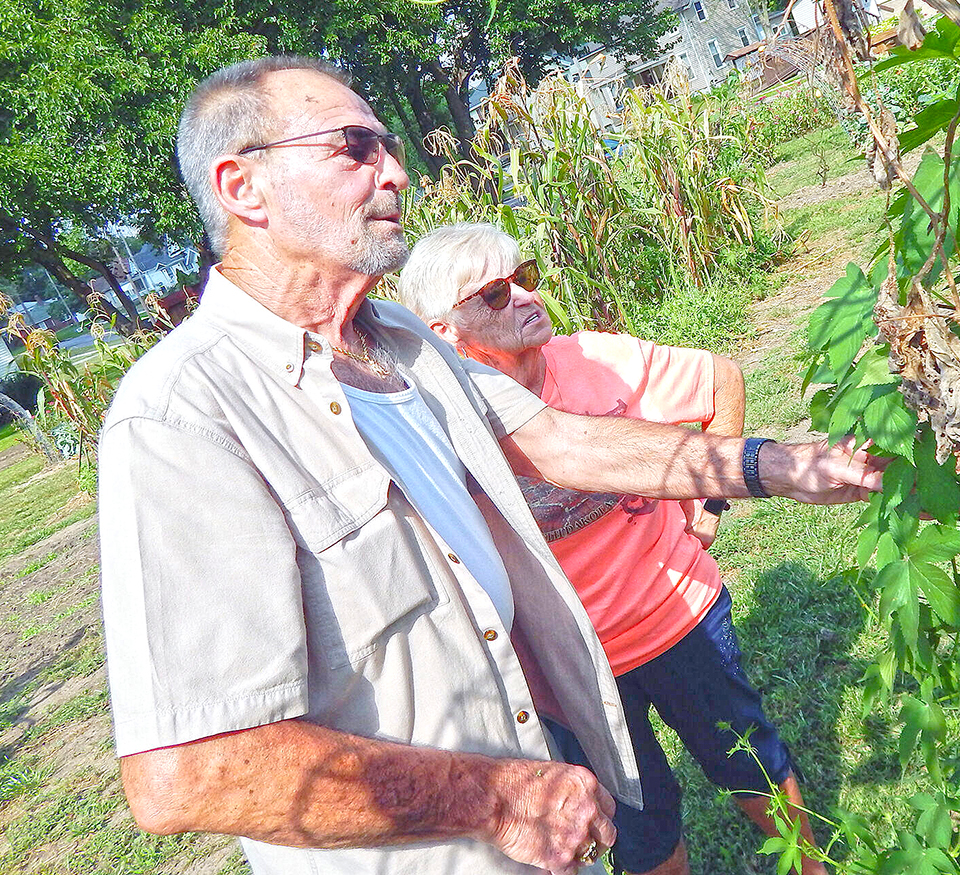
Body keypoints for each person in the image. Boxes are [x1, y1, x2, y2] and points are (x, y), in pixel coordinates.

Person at [98, 56, 885, 875]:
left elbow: (567, 442)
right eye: (354, 147)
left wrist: (776, 464)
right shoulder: (184, 418)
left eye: (389, 146)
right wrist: (494, 798)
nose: (395, 172)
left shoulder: (404, 344)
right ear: (244, 187)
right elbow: (188, 769)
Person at [399, 223, 827, 875]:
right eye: (492, 294)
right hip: (569, 665)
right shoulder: (437, 434)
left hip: (678, 615)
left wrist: (709, 507)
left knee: (749, 760)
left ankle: (813, 869)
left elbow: (720, 382)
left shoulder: (597, 361)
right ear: (441, 332)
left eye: (526, 277)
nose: (522, 296)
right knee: (638, 825)